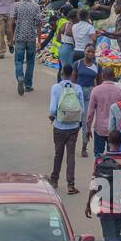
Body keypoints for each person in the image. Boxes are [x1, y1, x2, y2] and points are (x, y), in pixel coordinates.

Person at [87, 129, 121, 241]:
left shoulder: (100, 160)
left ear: (108, 141)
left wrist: (89, 204)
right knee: (116, 234)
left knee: (109, 238)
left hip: (105, 205)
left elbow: (94, 184)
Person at [48, 66, 85, 194]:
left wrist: (52, 116)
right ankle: (71, 185)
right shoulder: (78, 88)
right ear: (72, 74)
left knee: (58, 154)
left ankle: (54, 180)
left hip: (59, 126)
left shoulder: (55, 88)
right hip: (73, 127)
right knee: (71, 155)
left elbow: (53, 108)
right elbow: (82, 109)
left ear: (61, 73)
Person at [84, 68, 121, 157]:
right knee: (113, 156)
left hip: (99, 128)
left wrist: (88, 128)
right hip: (114, 130)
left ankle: (98, 170)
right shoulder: (119, 91)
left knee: (98, 155)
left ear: (102, 76)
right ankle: (113, 171)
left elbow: (90, 112)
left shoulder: (96, 90)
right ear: (114, 76)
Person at [11, 0, 42, 95]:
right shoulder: (36, 7)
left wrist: (12, 37)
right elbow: (38, 24)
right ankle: (28, 85)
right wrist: (39, 40)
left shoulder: (16, 5)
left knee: (18, 61)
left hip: (19, 37)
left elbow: (12, 22)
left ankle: (20, 77)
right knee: (30, 62)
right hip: (31, 38)